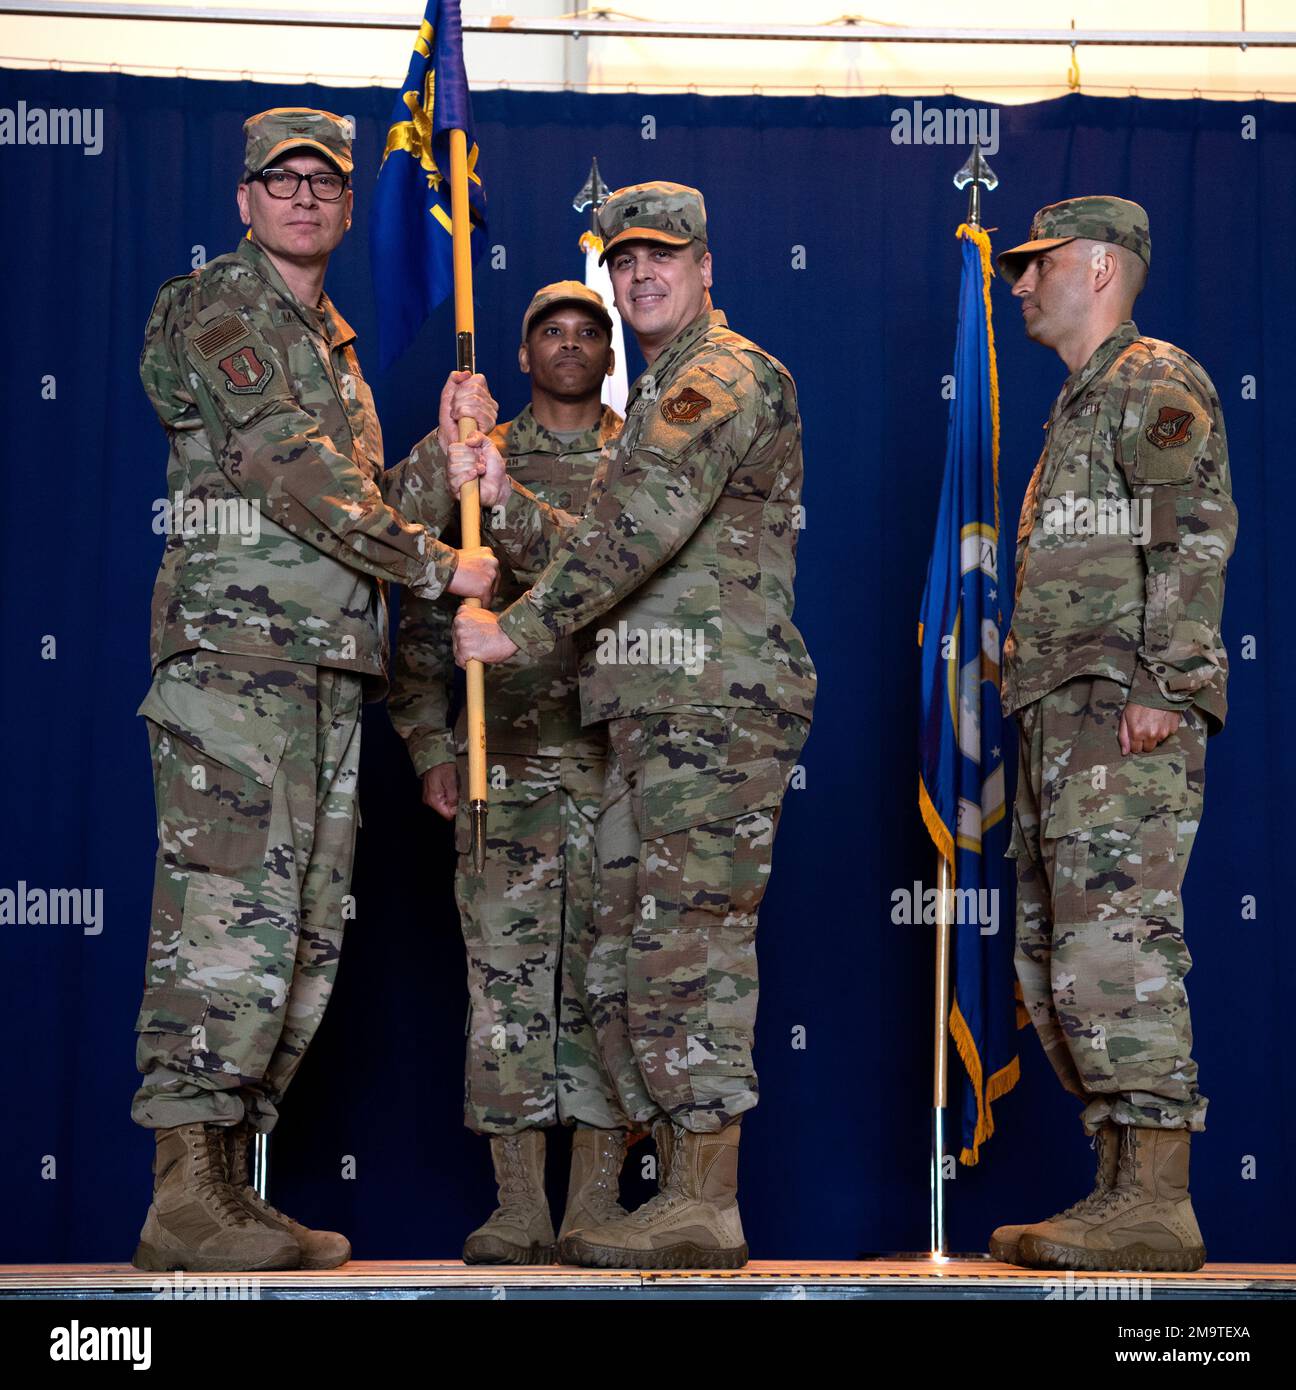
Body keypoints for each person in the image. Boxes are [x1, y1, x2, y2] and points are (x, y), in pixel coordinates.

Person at [131, 107, 497, 1273]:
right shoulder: (218, 307)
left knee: (290, 937)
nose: (301, 196)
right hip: (238, 665)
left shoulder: (333, 343)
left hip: (329, 671)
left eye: (322, 182)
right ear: (244, 199)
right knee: (222, 922)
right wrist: (441, 566)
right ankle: (179, 1191)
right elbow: (284, 474)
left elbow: (352, 501)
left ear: (344, 207)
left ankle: (229, 1187)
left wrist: (440, 465)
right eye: (278, 179)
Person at [448, 183, 816, 1269]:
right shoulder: (659, 392)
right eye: (624, 258)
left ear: (707, 267)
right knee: (636, 956)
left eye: (663, 255)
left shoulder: (720, 373)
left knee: (686, 950)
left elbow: (637, 533)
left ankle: (706, 1201)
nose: (641, 272)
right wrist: (502, 493)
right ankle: (678, 1193)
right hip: (654, 712)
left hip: (713, 703)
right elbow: (611, 528)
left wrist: (515, 630)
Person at [989, 197, 1236, 1272]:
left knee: (1119, 946)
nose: (1019, 282)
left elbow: (1192, 542)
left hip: (1120, 713)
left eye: (1036, 264)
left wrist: (1159, 682)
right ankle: (1117, 1186)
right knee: (1061, 951)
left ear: (1097, 268)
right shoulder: (1080, 402)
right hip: (1060, 714)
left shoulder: (1153, 383)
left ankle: (1157, 1200)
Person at [390, 281, 629, 1264]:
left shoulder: (643, 458)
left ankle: (598, 1205)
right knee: (507, 985)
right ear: (525, 356)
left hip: (624, 762)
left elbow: (625, 577)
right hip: (508, 763)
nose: (569, 347)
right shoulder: (483, 453)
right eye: (549, 334)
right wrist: (428, 740)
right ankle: (521, 1205)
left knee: (617, 985)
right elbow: (413, 607)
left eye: (588, 332)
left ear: (607, 352)